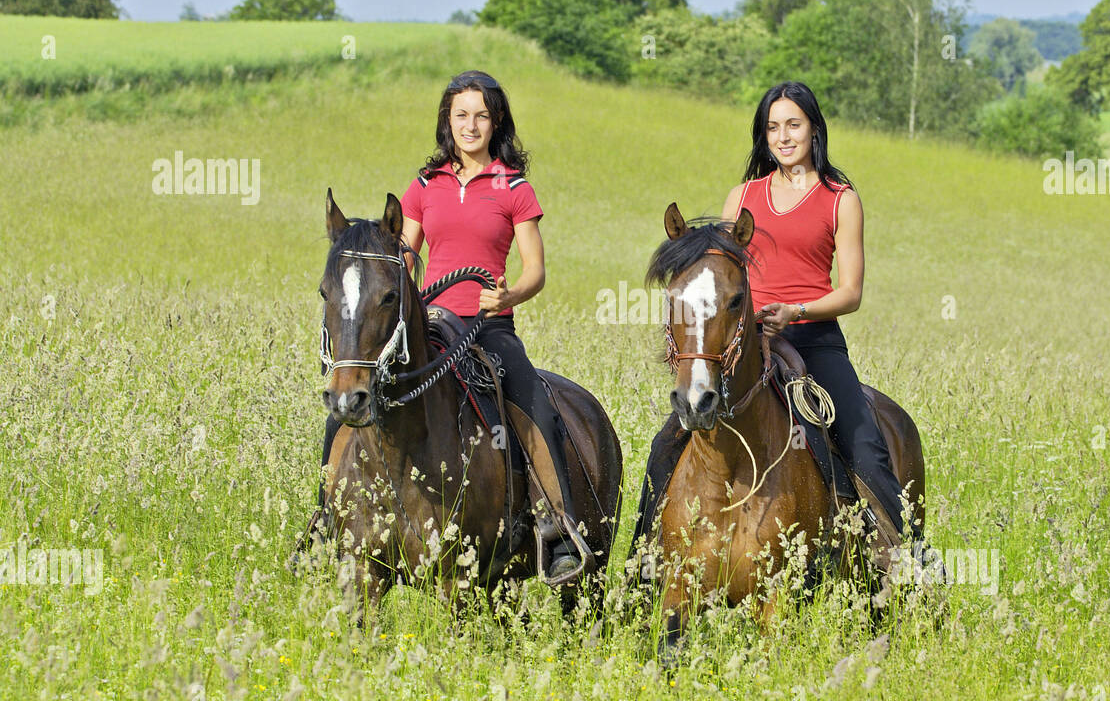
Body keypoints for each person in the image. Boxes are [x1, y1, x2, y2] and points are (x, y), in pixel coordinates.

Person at [316, 70, 581, 580]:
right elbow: (404, 259)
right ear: (448, 121)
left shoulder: (514, 187)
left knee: (535, 402)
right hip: (430, 324)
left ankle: (556, 526)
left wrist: (508, 294)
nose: (471, 124)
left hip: (488, 326)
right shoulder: (424, 186)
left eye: (481, 115)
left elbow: (536, 271)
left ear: (496, 120)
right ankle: (325, 522)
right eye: (461, 115)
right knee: (342, 411)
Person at [633, 80, 909, 549]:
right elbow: (720, 275)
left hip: (813, 340)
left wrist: (796, 309)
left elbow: (850, 292)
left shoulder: (840, 198)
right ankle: (643, 562)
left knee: (863, 443)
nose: (783, 137)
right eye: (772, 128)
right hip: (745, 340)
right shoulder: (743, 196)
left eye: (793, 125)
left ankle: (904, 554)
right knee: (667, 443)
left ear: (814, 130)